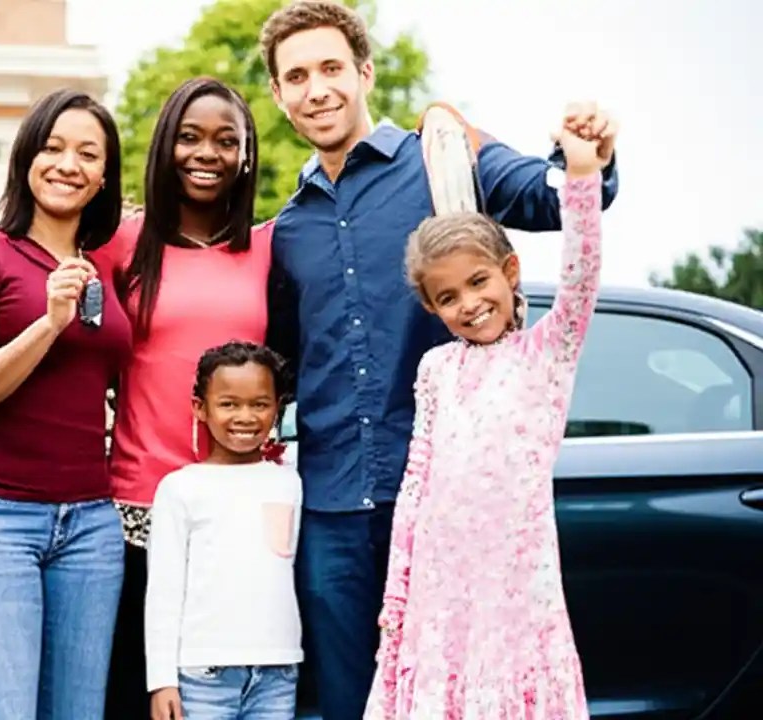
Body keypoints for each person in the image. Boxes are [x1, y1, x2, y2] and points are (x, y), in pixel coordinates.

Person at [255, 2, 621, 718]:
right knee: (344, 702)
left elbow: (563, 197)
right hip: (330, 505)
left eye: (332, 68)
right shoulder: (288, 229)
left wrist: (587, 157)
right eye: (296, 76)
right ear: (278, 94)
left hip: (445, 511)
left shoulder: (445, 156)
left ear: (364, 73)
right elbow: (281, 364)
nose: (316, 89)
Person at [364, 121, 608, 718]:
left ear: (510, 272)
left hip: (514, 586)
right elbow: (416, 483)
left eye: (479, 282)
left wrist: (580, 175)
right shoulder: (436, 369)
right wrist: (399, 592)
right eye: (448, 297)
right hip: (437, 593)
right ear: (431, 306)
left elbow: (581, 274)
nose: (469, 304)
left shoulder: (547, 352)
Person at [0, 87, 131, 720]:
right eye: (54, 146)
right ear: (26, 159)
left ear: (102, 178)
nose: (69, 163)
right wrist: (48, 322)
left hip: (90, 524)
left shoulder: (103, 270)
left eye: (88, 154)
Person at [94, 77, 276, 719]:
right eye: (191, 137)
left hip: (240, 511)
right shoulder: (119, 242)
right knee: (138, 695)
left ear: (246, 154)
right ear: (167, 144)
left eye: (226, 140)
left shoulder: (267, 249)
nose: (208, 153)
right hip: (139, 507)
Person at [145, 341, 303, 720]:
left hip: (277, 671)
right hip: (203, 676)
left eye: (259, 404)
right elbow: (164, 592)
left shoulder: (290, 482)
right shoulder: (179, 488)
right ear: (201, 407)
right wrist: (161, 680)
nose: (245, 416)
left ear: (277, 407)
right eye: (229, 404)